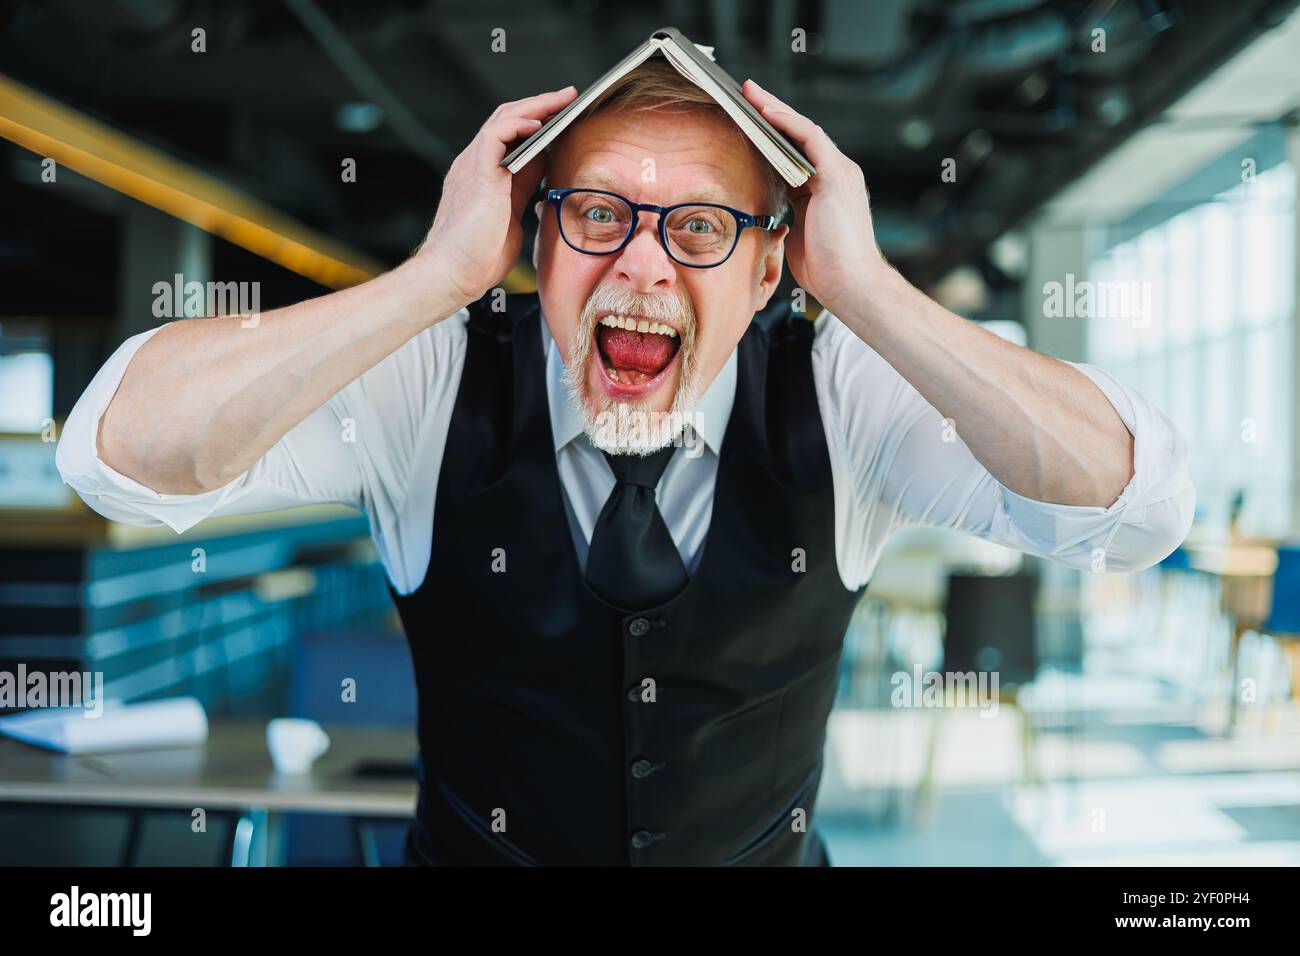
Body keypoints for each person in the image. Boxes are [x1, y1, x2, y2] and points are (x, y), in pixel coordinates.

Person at [56, 59, 1194, 866]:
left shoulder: (841, 397)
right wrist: (431, 278)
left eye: (699, 227)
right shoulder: (432, 379)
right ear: (537, 243)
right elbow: (116, 454)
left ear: (766, 274)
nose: (642, 264)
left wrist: (869, 293)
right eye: (597, 213)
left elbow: (1132, 504)